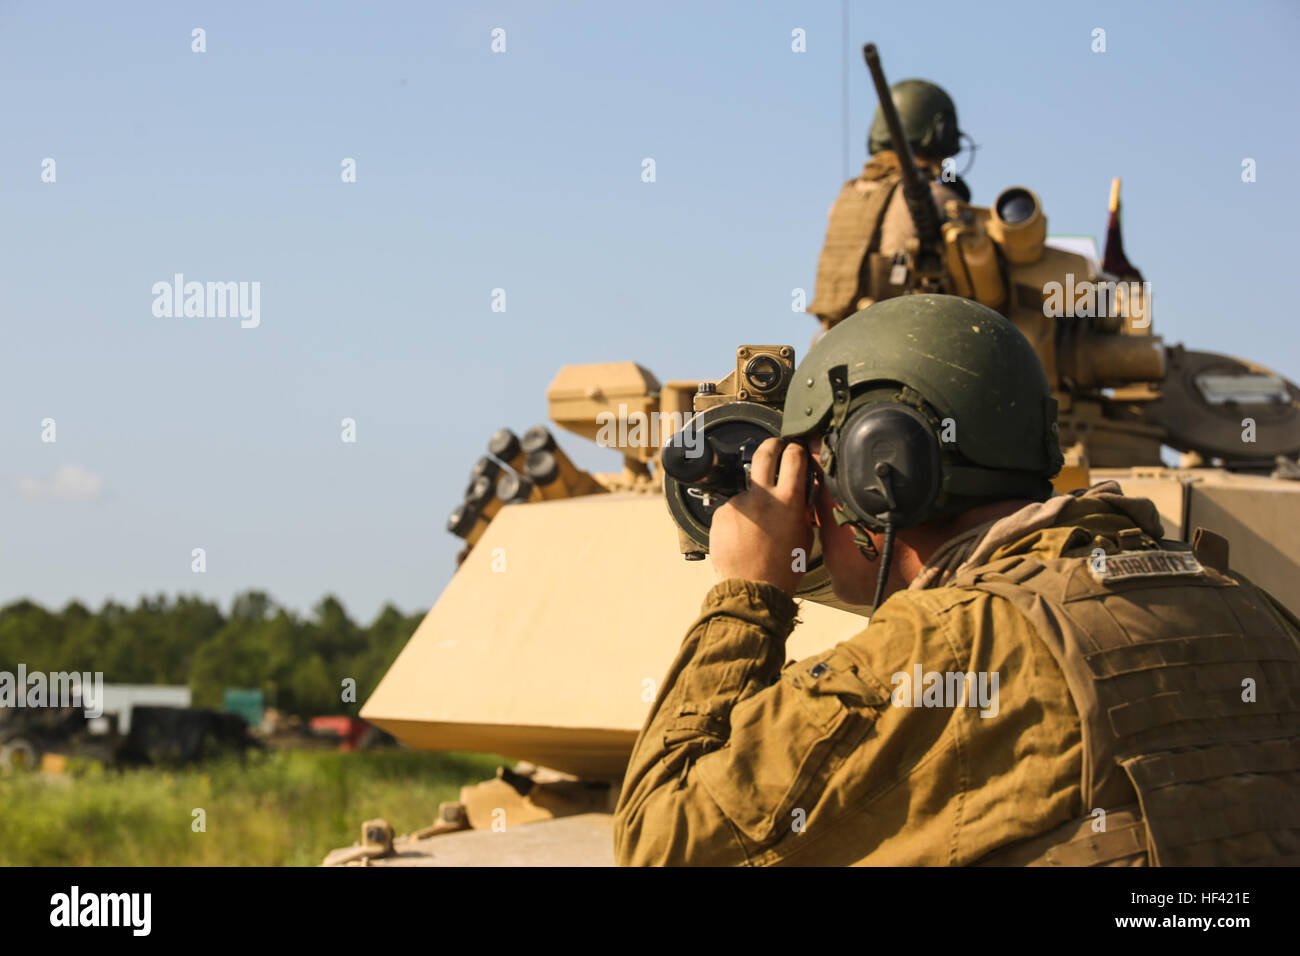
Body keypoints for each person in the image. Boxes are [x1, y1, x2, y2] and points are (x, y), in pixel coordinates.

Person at [614, 294, 1300, 866]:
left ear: (881, 471)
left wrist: (749, 598)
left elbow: (660, 843)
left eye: (816, 471)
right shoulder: (1246, 604)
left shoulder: (948, 648)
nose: (810, 506)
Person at [807, 79, 968, 333]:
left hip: (834, 342)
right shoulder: (942, 198)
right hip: (903, 341)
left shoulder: (849, 196)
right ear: (941, 133)